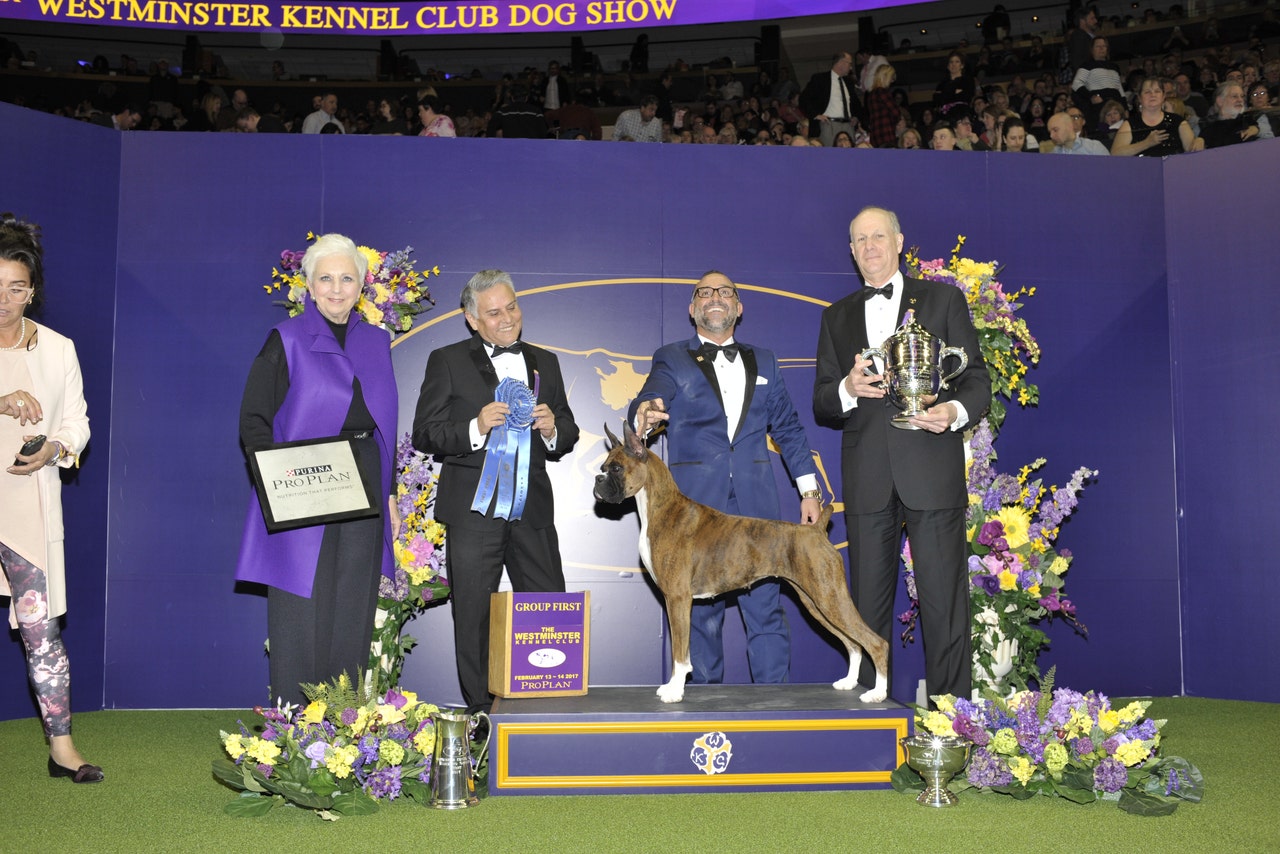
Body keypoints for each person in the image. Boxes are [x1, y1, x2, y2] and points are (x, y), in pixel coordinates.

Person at [813, 206, 990, 703]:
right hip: (868, 475)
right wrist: (847, 388)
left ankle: (950, 721)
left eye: (878, 236)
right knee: (865, 605)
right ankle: (872, 721)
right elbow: (822, 400)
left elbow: (976, 379)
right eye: (860, 239)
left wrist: (952, 410)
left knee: (944, 604)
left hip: (931, 466)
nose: (870, 246)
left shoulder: (943, 300)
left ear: (898, 241)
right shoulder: (836, 316)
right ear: (851, 251)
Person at [629, 272, 822, 687]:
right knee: (699, 618)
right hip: (694, 513)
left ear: (738, 307)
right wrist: (645, 409)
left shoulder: (766, 360)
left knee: (767, 610)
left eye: (725, 292)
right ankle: (701, 711)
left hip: (757, 506)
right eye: (704, 292)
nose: (714, 298)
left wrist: (808, 490)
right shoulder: (672, 356)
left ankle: (775, 710)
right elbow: (653, 391)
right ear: (692, 308)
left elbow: (788, 427)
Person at [235, 234, 399, 705]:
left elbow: (386, 423)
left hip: (364, 475)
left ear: (361, 286)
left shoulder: (377, 341)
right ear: (308, 283)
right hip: (304, 475)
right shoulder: (285, 339)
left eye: (347, 278)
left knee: (353, 605)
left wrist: (388, 491)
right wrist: (275, 477)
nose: (336, 288)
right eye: (325, 278)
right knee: (300, 604)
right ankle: (295, 729)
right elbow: (253, 419)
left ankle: (343, 726)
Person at [412, 270, 578, 712]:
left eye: (512, 307)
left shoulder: (547, 361)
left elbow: (568, 429)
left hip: (533, 506)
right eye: (494, 312)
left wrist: (551, 429)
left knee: (548, 611)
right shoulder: (446, 359)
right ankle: (481, 718)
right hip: (473, 507)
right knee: (473, 617)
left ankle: (544, 713)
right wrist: (476, 426)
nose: (507, 318)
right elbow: (425, 433)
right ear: (472, 319)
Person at [0, 214, 100, 783]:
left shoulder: (59, 348)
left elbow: (78, 421)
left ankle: (62, 749)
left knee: (42, 633)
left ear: (32, 290)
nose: (5, 299)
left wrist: (55, 449)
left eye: (16, 287)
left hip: (26, 507)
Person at [1110, 78, 1193, 157]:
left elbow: (1192, 150)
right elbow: (1115, 153)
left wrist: (1199, 140)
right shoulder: (1129, 124)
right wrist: (1146, 143)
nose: (1153, 95)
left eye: (1157, 91)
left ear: (1163, 96)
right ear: (1139, 98)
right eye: (1147, 92)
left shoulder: (1178, 121)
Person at [801, 51, 860, 148]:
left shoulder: (849, 82)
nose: (851, 67)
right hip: (829, 125)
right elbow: (804, 99)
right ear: (841, 62)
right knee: (829, 156)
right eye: (849, 63)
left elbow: (855, 103)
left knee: (850, 156)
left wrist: (856, 116)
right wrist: (815, 115)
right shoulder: (820, 79)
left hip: (848, 125)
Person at [1201, 81, 1274, 148]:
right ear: (1220, 101)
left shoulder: (1251, 119)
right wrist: (1200, 140)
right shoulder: (1207, 124)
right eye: (1234, 96)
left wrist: (1256, 129)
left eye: (1242, 96)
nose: (1240, 100)